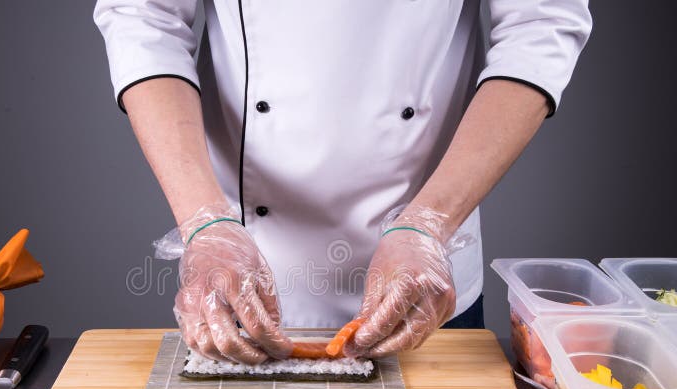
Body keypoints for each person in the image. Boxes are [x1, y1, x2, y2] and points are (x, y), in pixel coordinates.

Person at [94, 1, 591, 364]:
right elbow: (144, 18)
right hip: (242, 267)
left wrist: (428, 224)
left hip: (426, 274)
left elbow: (541, 25)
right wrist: (205, 225)